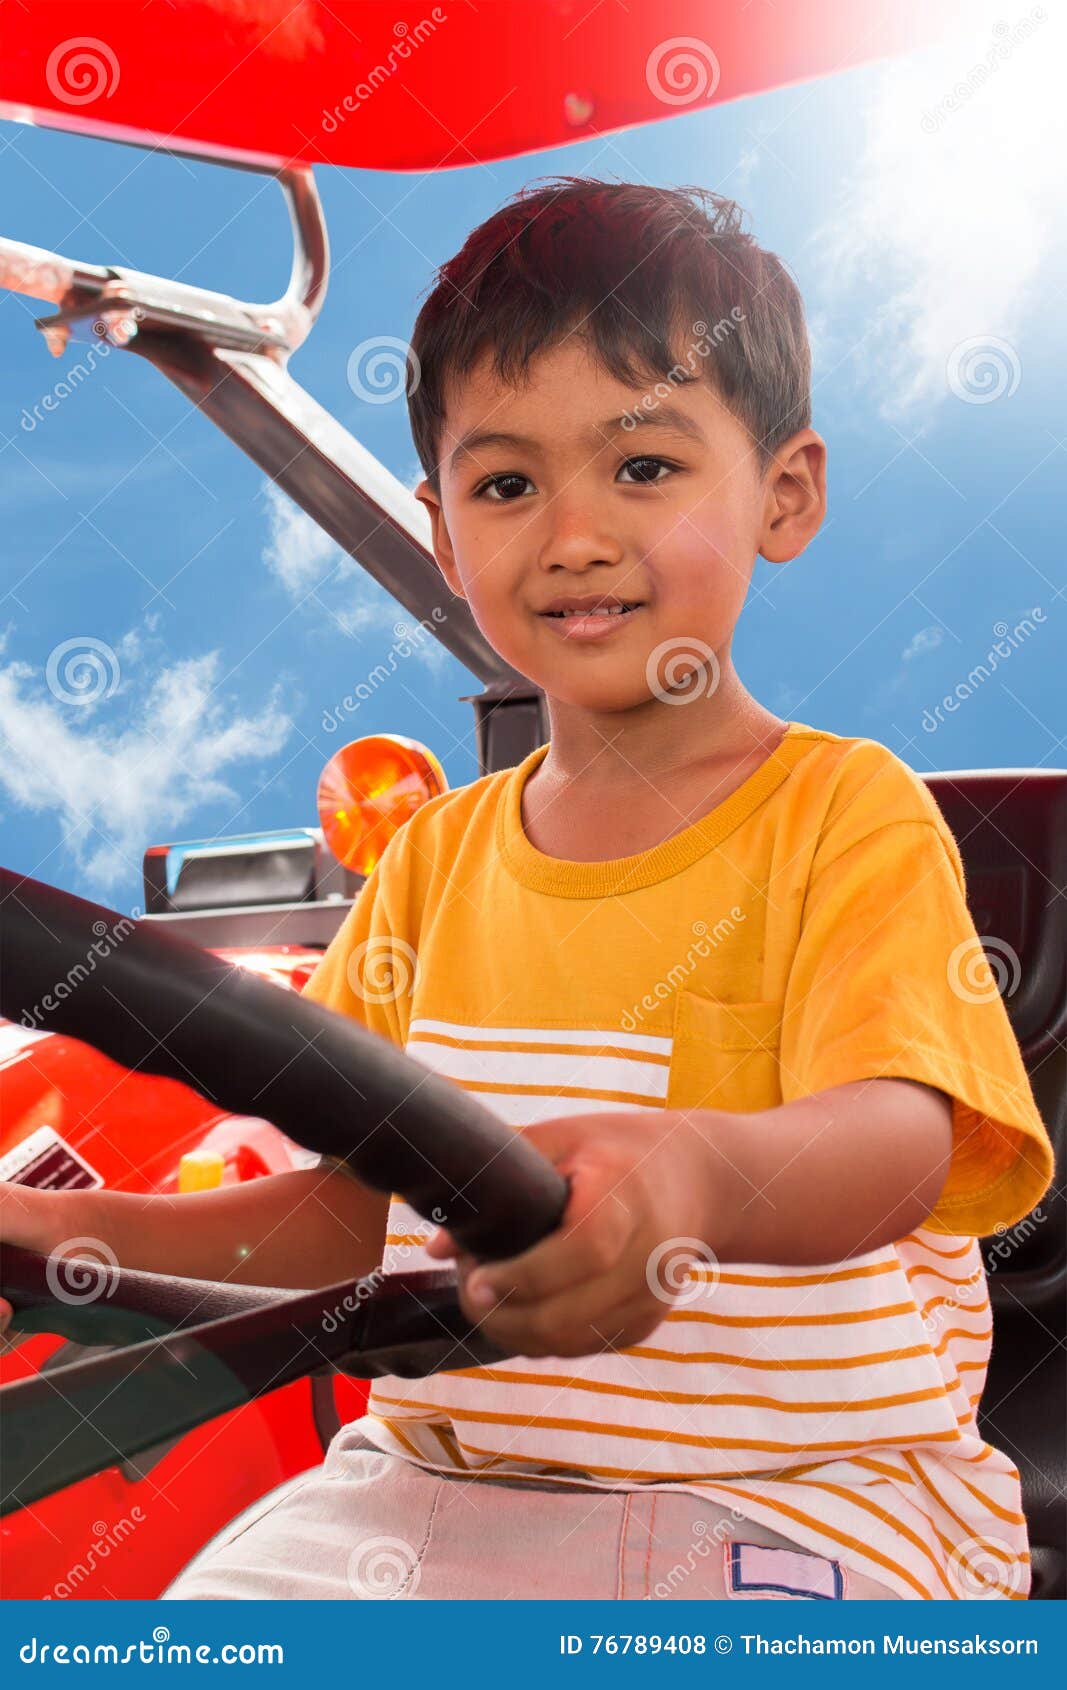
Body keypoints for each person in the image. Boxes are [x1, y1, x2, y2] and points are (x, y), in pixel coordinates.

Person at [1, 179, 1053, 1602]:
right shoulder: (431, 862)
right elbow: (335, 1226)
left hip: (802, 1502)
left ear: (785, 494)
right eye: (507, 485)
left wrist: (694, 1175)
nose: (570, 534)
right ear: (446, 537)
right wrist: (69, 1231)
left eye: (641, 468)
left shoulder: (844, 814)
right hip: (436, 1491)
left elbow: (895, 1144)